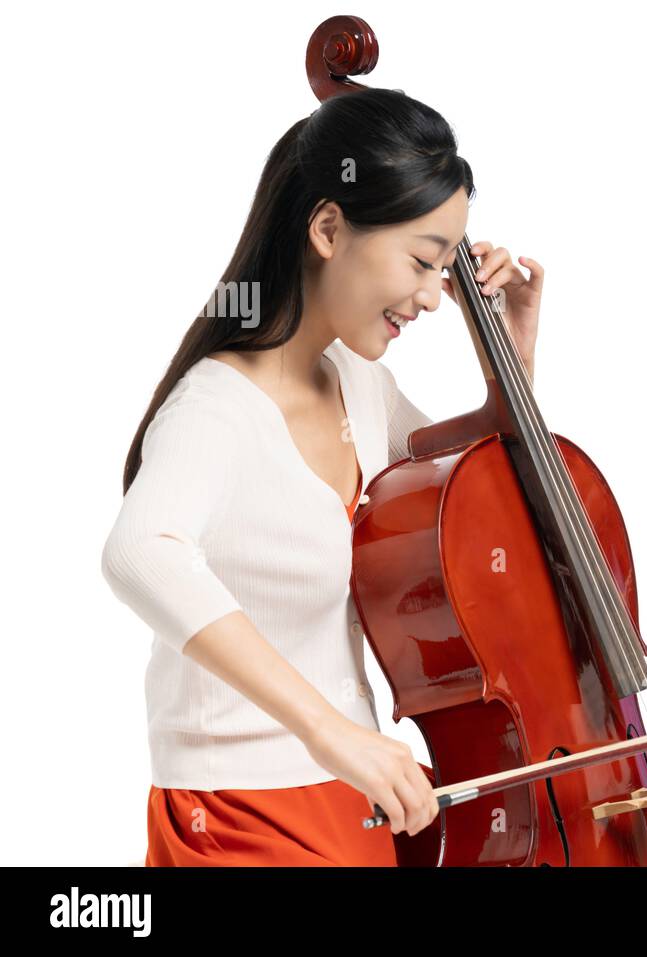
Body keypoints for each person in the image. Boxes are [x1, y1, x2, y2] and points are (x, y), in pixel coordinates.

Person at [100, 88, 544, 866]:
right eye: (422, 260)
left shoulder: (356, 380)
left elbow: (486, 488)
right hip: (239, 812)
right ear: (328, 227)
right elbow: (141, 551)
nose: (437, 296)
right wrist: (330, 730)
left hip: (355, 794)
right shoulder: (216, 405)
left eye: (447, 268)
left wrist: (513, 351)